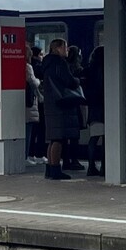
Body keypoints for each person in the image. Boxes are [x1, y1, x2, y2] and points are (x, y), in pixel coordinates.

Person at [36, 37, 84, 180]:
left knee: (53, 139)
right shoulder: (59, 63)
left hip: (51, 104)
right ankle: (56, 170)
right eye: (65, 47)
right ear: (57, 48)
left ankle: (50, 169)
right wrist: (77, 81)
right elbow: (69, 81)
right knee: (59, 139)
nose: (67, 50)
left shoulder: (47, 64)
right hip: (61, 105)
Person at [82, 45, 107, 177]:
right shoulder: (107, 69)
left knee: (94, 138)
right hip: (106, 106)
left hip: (93, 107)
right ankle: (104, 166)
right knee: (106, 138)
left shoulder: (88, 70)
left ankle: (91, 166)